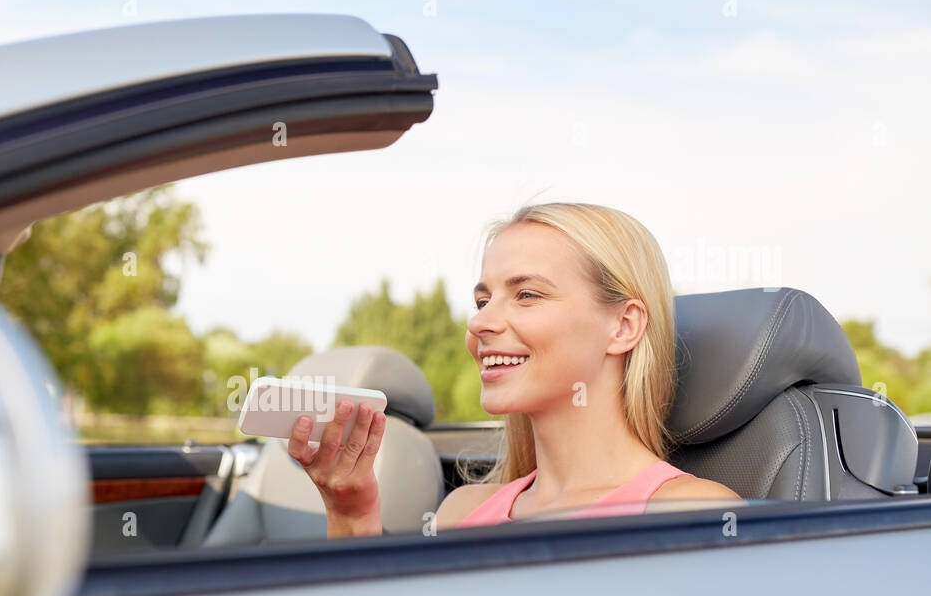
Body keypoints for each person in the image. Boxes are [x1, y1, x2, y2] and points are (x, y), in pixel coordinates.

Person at [288, 201, 743, 538]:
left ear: (623, 326)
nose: (480, 322)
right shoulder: (460, 513)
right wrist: (351, 514)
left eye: (527, 295)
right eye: (483, 301)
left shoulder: (692, 511)